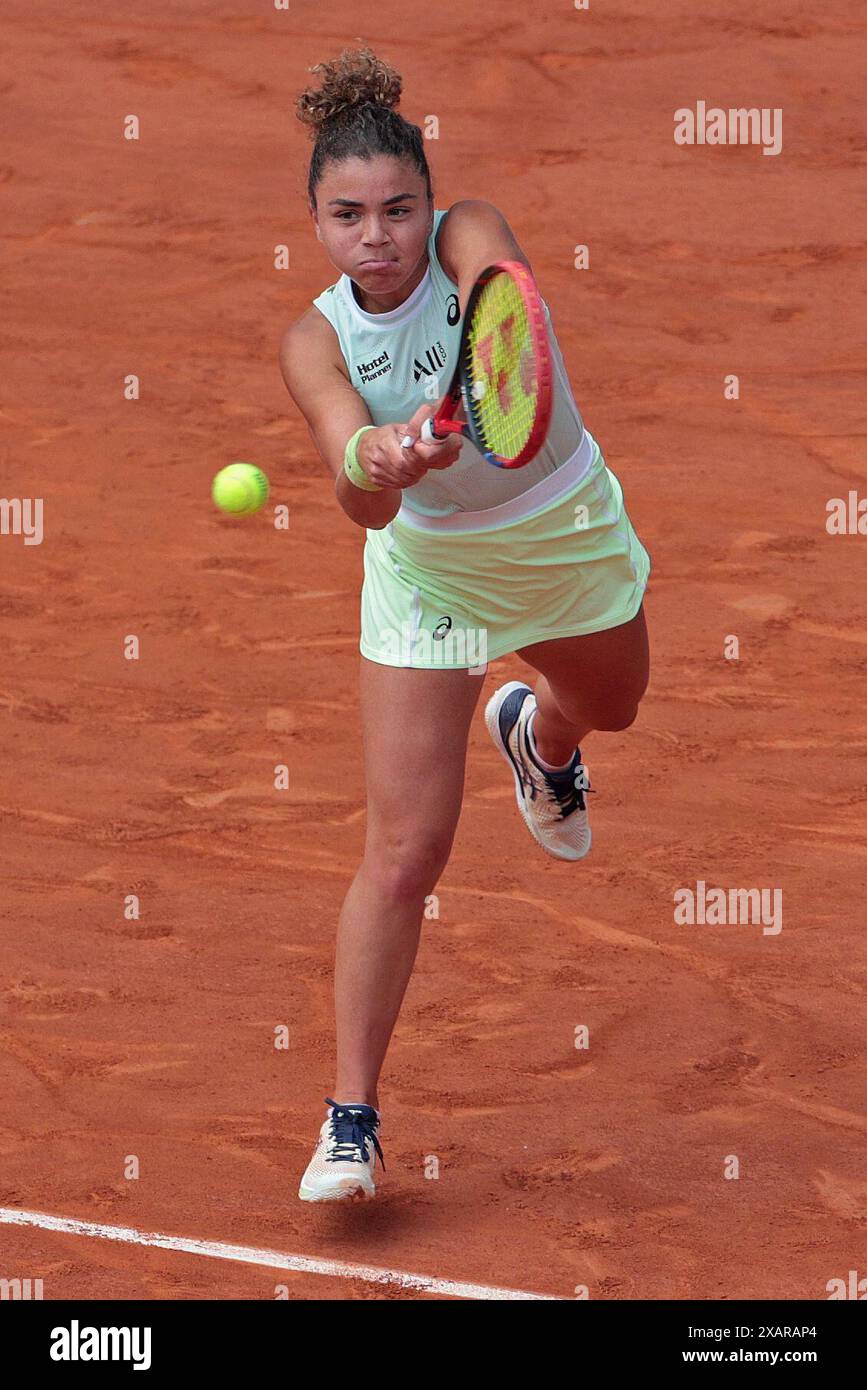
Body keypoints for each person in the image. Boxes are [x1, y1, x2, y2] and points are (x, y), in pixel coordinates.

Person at [280, 46, 651, 1202]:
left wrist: (462, 414)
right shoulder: (315, 341)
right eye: (348, 216)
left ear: (430, 204)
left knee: (613, 703)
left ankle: (540, 741)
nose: (377, 236)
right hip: (429, 569)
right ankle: (350, 1119)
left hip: (560, 530)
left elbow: (513, 327)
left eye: (398, 208)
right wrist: (378, 455)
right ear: (318, 223)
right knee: (406, 850)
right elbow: (359, 498)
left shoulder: (469, 238)